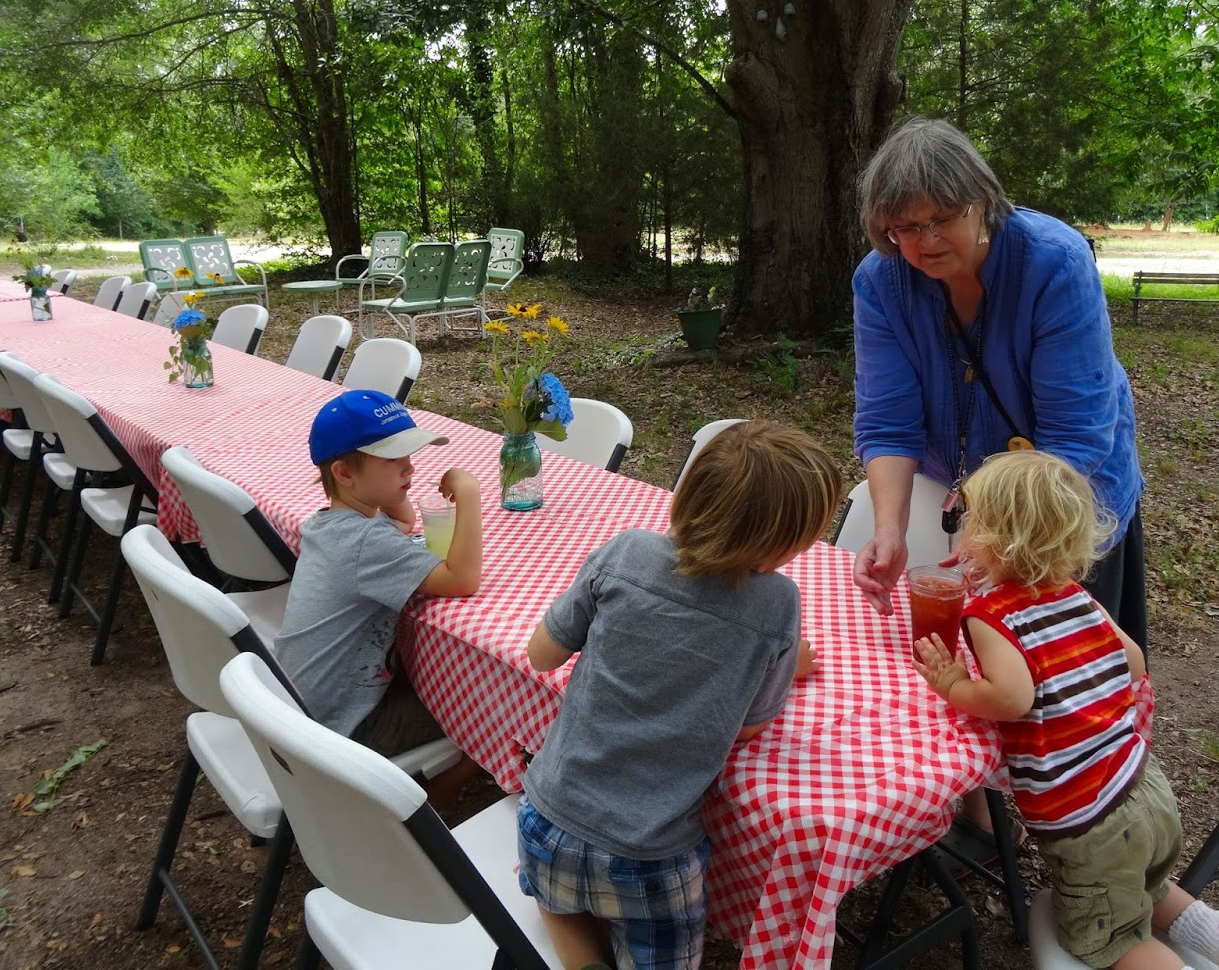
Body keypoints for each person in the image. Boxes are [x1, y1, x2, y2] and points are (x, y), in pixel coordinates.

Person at [917, 450, 1219, 970]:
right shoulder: (1077, 596)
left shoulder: (991, 613)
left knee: (1109, 942)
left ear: (996, 536)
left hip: (1087, 821)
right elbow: (1134, 663)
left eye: (973, 518)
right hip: (1145, 787)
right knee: (1144, 885)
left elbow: (1011, 698)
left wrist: (954, 683)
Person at [516, 421, 841, 970]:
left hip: (546, 823)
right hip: (650, 861)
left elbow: (541, 656)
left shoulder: (625, 552)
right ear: (786, 543)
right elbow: (745, 728)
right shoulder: (777, 605)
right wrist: (787, 668)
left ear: (689, 492)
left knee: (555, 896)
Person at [850, 116, 1147, 652]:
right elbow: (888, 422)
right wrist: (888, 529)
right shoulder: (879, 282)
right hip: (975, 500)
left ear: (982, 202)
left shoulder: (1054, 261)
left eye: (942, 218)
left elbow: (1075, 435)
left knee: (1069, 670)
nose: (926, 241)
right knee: (982, 663)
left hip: (1065, 494)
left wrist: (997, 533)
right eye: (906, 227)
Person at [273, 389, 480, 805]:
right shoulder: (366, 541)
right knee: (484, 710)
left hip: (303, 708)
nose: (409, 468)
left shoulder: (333, 522)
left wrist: (395, 496)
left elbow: (401, 526)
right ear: (345, 474)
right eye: (393, 460)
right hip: (343, 728)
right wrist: (470, 493)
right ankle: (424, 817)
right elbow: (462, 579)